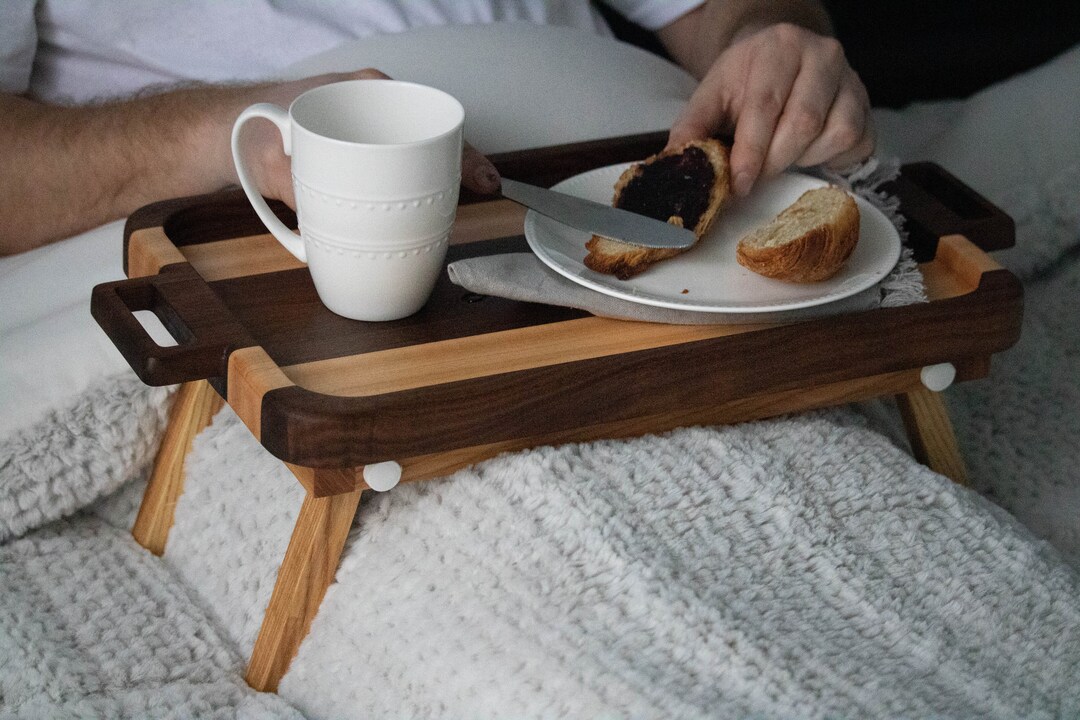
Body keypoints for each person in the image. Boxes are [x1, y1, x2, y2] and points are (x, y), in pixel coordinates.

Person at [0, 0, 874, 256]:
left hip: (660, 221)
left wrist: (773, 45)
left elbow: (725, 10)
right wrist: (240, 132)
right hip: (290, 256)